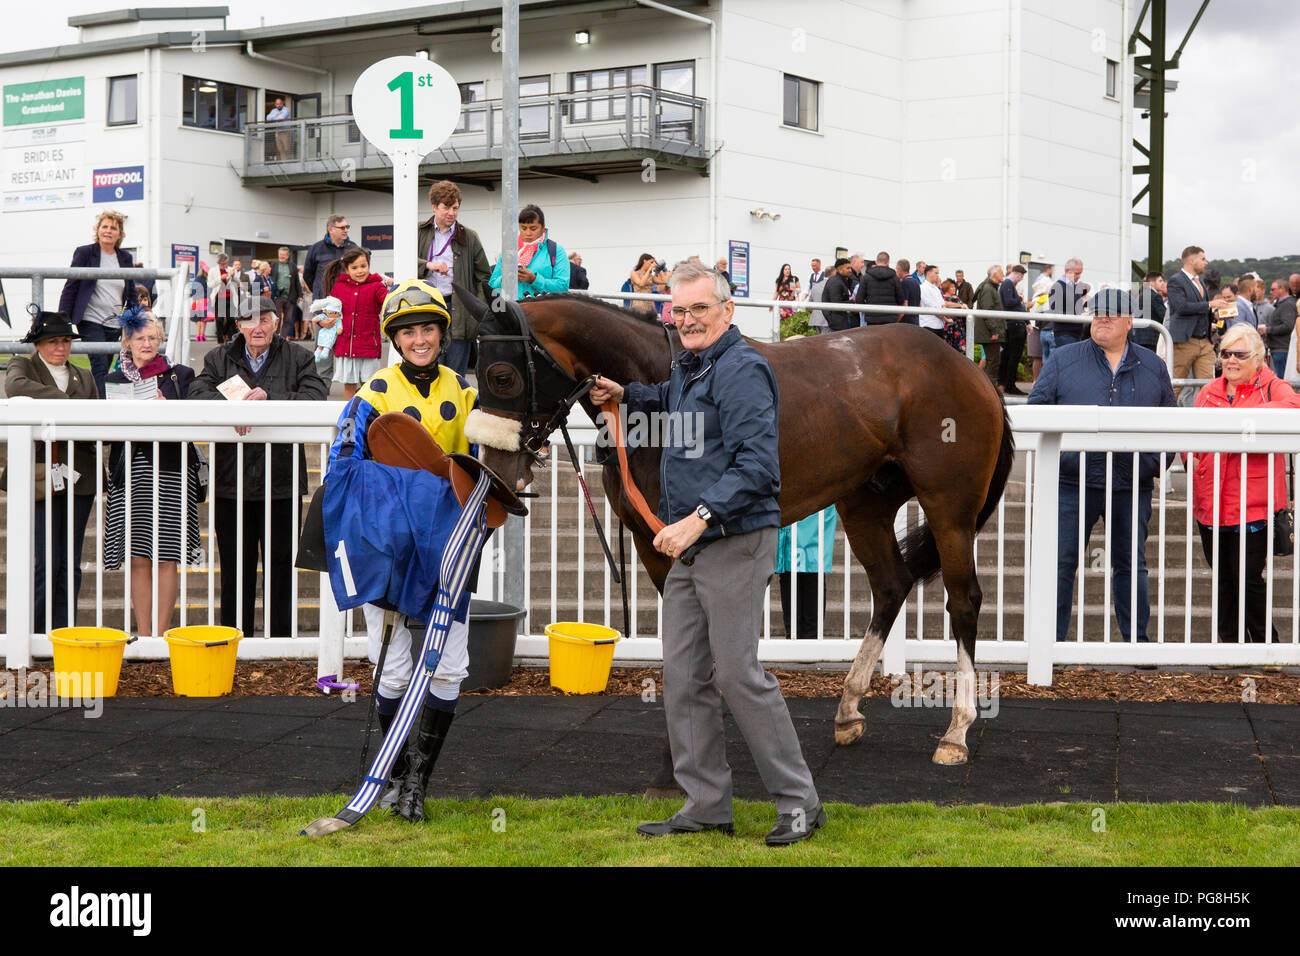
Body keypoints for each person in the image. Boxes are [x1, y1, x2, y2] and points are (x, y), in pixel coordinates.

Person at [588, 261, 824, 846]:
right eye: (680, 309)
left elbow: (758, 468)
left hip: (731, 541)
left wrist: (695, 521)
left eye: (699, 308)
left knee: (739, 675)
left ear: (727, 311)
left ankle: (800, 803)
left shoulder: (741, 369)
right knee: (685, 677)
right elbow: (673, 397)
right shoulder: (695, 366)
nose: (687, 319)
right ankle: (706, 805)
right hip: (694, 546)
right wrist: (629, 394)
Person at [327, 278, 481, 821]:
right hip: (389, 546)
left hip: (448, 545)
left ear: (442, 333)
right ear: (395, 339)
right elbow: (343, 471)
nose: (420, 339)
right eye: (409, 331)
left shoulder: (465, 392)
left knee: (448, 666)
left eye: (429, 329)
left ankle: (417, 781)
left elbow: (482, 469)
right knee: (392, 668)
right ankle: (392, 777)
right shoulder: (372, 394)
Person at [1028, 289, 1176, 643]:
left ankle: (1136, 645)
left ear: (1129, 322)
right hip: (1071, 483)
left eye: (1112, 314)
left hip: (1130, 484)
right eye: (1098, 313)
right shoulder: (1064, 359)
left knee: (1130, 564)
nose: (1103, 319)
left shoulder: (1152, 365)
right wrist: (1063, 458)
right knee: (1062, 563)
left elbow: (1171, 423)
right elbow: (1034, 412)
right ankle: (1051, 645)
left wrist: (1152, 465)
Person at [188, 295, 328, 637]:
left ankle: (281, 642)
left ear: (276, 321)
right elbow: (196, 393)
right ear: (238, 325)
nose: (257, 327)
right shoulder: (218, 357)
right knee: (235, 569)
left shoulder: (299, 356)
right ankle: (236, 641)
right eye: (249, 321)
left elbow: (315, 397)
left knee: (281, 568)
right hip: (230, 481)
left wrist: (270, 400)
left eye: (265, 319)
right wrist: (235, 406)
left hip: (281, 481)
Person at [1188, 325, 1300, 643]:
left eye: (1240, 354)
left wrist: (1242, 415)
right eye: (1226, 354)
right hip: (1211, 501)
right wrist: (1191, 461)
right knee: (1223, 577)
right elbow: (1188, 435)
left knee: (1247, 577)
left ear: (1259, 359)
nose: (1232, 361)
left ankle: (1267, 645)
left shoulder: (1271, 386)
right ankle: (1230, 643)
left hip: (1254, 504)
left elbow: (1294, 407)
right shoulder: (1208, 391)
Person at [103, 308, 203, 636]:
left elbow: (195, 422)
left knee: (167, 557)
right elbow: (107, 433)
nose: (146, 344)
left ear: (160, 340)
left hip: (172, 472)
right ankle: (143, 634)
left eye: (152, 338)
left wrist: (167, 409)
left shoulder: (180, 375)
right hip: (131, 472)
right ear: (126, 341)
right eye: (139, 338)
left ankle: (161, 634)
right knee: (138, 556)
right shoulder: (114, 379)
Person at [1, 311, 102, 634]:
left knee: (70, 563)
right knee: (45, 561)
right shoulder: (23, 365)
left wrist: (70, 414)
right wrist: (67, 407)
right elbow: (15, 386)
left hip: (79, 474)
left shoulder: (83, 376)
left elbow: (97, 419)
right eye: (53, 341)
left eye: (66, 341)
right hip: (38, 476)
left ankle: (64, 632)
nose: (61, 347)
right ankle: (36, 633)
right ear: (39, 343)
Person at [57, 210, 140, 397]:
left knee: (105, 366)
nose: (108, 231)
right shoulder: (85, 253)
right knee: (100, 364)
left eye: (113, 228)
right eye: (105, 226)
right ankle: (102, 407)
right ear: (98, 230)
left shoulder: (125, 258)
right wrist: (63, 319)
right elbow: (71, 286)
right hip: (90, 319)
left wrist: (137, 321)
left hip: (114, 322)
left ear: (120, 233)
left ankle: (93, 400)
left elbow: (131, 291)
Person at [415, 180, 492, 376]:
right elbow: (403, 261)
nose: (452, 213)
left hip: (458, 310)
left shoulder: (469, 237)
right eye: (446, 207)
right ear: (434, 207)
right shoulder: (418, 232)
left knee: (455, 373)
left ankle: (454, 407)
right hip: (427, 306)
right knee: (428, 366)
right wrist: (428, 265)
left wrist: (476, 311)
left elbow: (483, 276)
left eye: (455, 208)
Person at [321, 245, 387, 401]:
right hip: (346, 346)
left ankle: (366, 416)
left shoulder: (377, 286)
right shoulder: (339, 287)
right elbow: (330, 311)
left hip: (368, 346)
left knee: (368, 386)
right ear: (347, 269)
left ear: (369, 266)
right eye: (355, 267)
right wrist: (324, 321)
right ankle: (348, 416)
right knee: (349, 385)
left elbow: (388, 300)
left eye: (363, 266)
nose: (360, 271)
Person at [776, 508, 837, 639]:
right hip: (797, 509)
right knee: (794, 570)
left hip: (815, 509)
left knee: (812, 570)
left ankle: (807, 636)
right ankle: (797, 635)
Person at [1167, 244, 1217, 402]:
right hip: (1185, 342)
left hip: (1205, 341)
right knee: (1175, 384)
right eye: (1203, 259)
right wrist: (1209, 305)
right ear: (1191, 260)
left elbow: (1200, 309)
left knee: (1209, 385)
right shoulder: (1176, 281)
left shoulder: (1200, 282)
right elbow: (1180, 307)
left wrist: (1216, 314)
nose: (1206, 262)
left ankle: (1209, 422)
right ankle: (1165, 420)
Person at [488, 203, 570, 298]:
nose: (528, 233)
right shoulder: (508, 251)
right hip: (513, 309)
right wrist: (504, 279)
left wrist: (534, 280)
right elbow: (492, 285)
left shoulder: (556, 251)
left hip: (542, 310)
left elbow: (563, 287)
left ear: (543, 227)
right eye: (523, 228)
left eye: (533, 228)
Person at [303, 214, 358, 299]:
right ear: (330, 229)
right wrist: (319, 290)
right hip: (323, 301)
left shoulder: (353, 248)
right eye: (342, 228)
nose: (346, 230)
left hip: (347, 299)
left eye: (347, 227)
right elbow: (308, 275)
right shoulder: (316, 249)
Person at [998, 264, 1029, 394]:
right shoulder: (1007, 285)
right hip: (1014, 326)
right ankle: (1009, 384)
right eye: (1020, 278)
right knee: (1013, 356)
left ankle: (1005, 383)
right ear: (1017, 274)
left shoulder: (1007, 285)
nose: (1019, 280)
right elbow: (1009, 302)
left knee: (1008, 355)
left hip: (1013, 324)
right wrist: (1019, 298)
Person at [973, 265, 1005, 386]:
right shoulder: (988, 289)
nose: (1003, 275)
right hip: (989, 333)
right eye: (1001, 273)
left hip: (990, 332)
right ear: (995, 274)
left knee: (993, 361)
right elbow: (987, 311)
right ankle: (987, 388)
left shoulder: (991, 288)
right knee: (993, 362)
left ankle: (986, 388)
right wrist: (994, 331)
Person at [856, 251, 904, 326]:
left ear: (876, 262)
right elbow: (901, 300)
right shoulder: (894, 278)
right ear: (888, 262)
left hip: (872, 319)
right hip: (890, 319)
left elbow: (859, 300)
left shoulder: (866, 277)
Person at [268, 247, 303, 339]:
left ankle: (282, 338)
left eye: (284, 255)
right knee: (277, 318)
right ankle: (275, 337)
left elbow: (297, 281)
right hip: (278, 296)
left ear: (288, 256)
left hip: (290, 296)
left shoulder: (292, 266)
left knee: (288, 319)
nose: (282, 256)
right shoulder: (274, 265)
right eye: (280, 254)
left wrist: (300, 295)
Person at [1265, 279, 1296, 380]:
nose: (1271, 292)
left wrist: (1268, 330)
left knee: (1282, 380)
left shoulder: (1287, 304)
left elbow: (1288, 326)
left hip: (1282, 348)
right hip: (1279, 348)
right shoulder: (1282, 304)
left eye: (1273, 289)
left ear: (1282, 289)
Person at [1133, 270, 1167, 352]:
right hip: (1150, 338)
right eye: (1160, 281)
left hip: (1141, 337)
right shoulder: (1154, 296)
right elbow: (1164, 315)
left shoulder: (1143, 294)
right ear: (1151, 283)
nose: (1162, 283)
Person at [820, 258, 855, 332]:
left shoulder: (843, 280)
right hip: (837, 324)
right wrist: (853, 301)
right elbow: (836, 305)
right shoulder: (835, 282)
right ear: (840, 269)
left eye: (850, 268)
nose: (850, 270)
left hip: (840, 321)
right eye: (848, 268)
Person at [940, 278, 968, 354]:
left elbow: (965, 308)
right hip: (949, 326)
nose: (954, 289)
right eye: (951, 287)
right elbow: (945, 304)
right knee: (948, 350)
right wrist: (960, 305)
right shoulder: (942, 298)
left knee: (960, 350)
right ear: (946, 288)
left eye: (954, 287)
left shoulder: (957, 298)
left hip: (959, 327)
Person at [918, 264, 946, 337]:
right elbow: (933, 308)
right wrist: (946, 318)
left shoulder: (936, 289)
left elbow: (943, 305)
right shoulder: (923, 288)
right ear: (928, 273)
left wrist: (943, 315)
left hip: (940, 325)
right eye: (936, 273)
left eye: (938, 273)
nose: (938, 275)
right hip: (929, 326)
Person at [191, 262, 211, 342]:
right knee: (203, 319)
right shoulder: (206, 280)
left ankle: (198, 335)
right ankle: (202, 335)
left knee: (198, 319)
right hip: (204, 300)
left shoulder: (196, 279)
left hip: (196, 301)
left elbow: (193, 291)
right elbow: (209, 290)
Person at [266, 96, 291, 161]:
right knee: (280, 149)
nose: (278, 105)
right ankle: (283, 162)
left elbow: (281, 118)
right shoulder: (274, 110)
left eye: (280, 103)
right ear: (275, 104)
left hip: (286, 132)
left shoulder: (286, 110)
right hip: (278, 132)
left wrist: (274, 117)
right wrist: (276, 115)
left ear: (282, 103)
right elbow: (268, 118)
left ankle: (289, 162)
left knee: (286, 148)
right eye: (277, 104)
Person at [897, 258, 921, 325]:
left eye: (896, 269)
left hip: (906, 323)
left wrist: (896, 321)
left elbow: (905, 305)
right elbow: (920, 303)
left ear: (899, 269)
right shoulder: (916, 281)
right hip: (916, 320)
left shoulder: (904, 282)